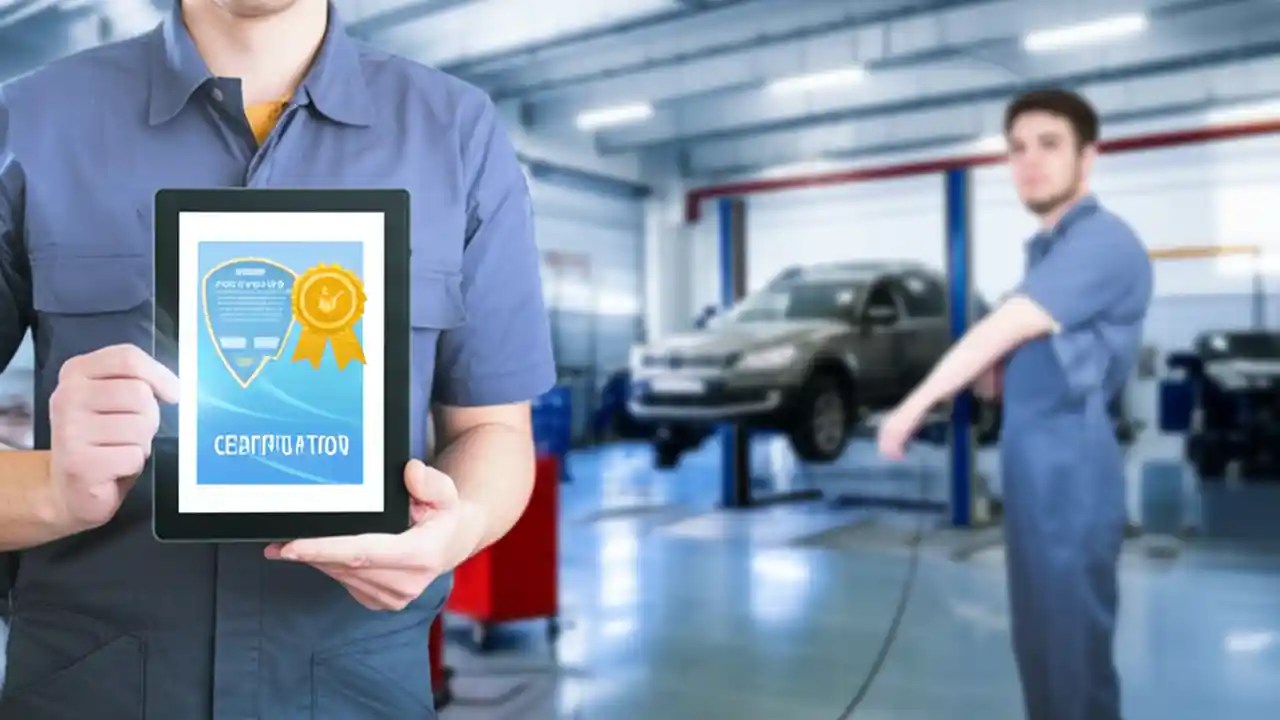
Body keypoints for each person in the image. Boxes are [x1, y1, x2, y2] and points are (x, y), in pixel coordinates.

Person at [0, 0, 555, 716]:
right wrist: (50, 491)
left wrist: (460, 527)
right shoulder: (31, 123)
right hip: (89, 690)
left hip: (354, 692)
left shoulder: (456, 134)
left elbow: (494, 430)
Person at [878, 88, 1153, 720]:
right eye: (1017, 149)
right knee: (1041, 647)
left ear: (1090, 158)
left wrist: (914, 404)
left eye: (1049, 145)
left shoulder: (1104, 241)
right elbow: (1030, 343)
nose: (1029, 161)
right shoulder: (1048, 252)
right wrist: (1002, 373)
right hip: (1036, 469)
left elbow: (1005, 324)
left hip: (1071, 472)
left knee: (1068, 654)